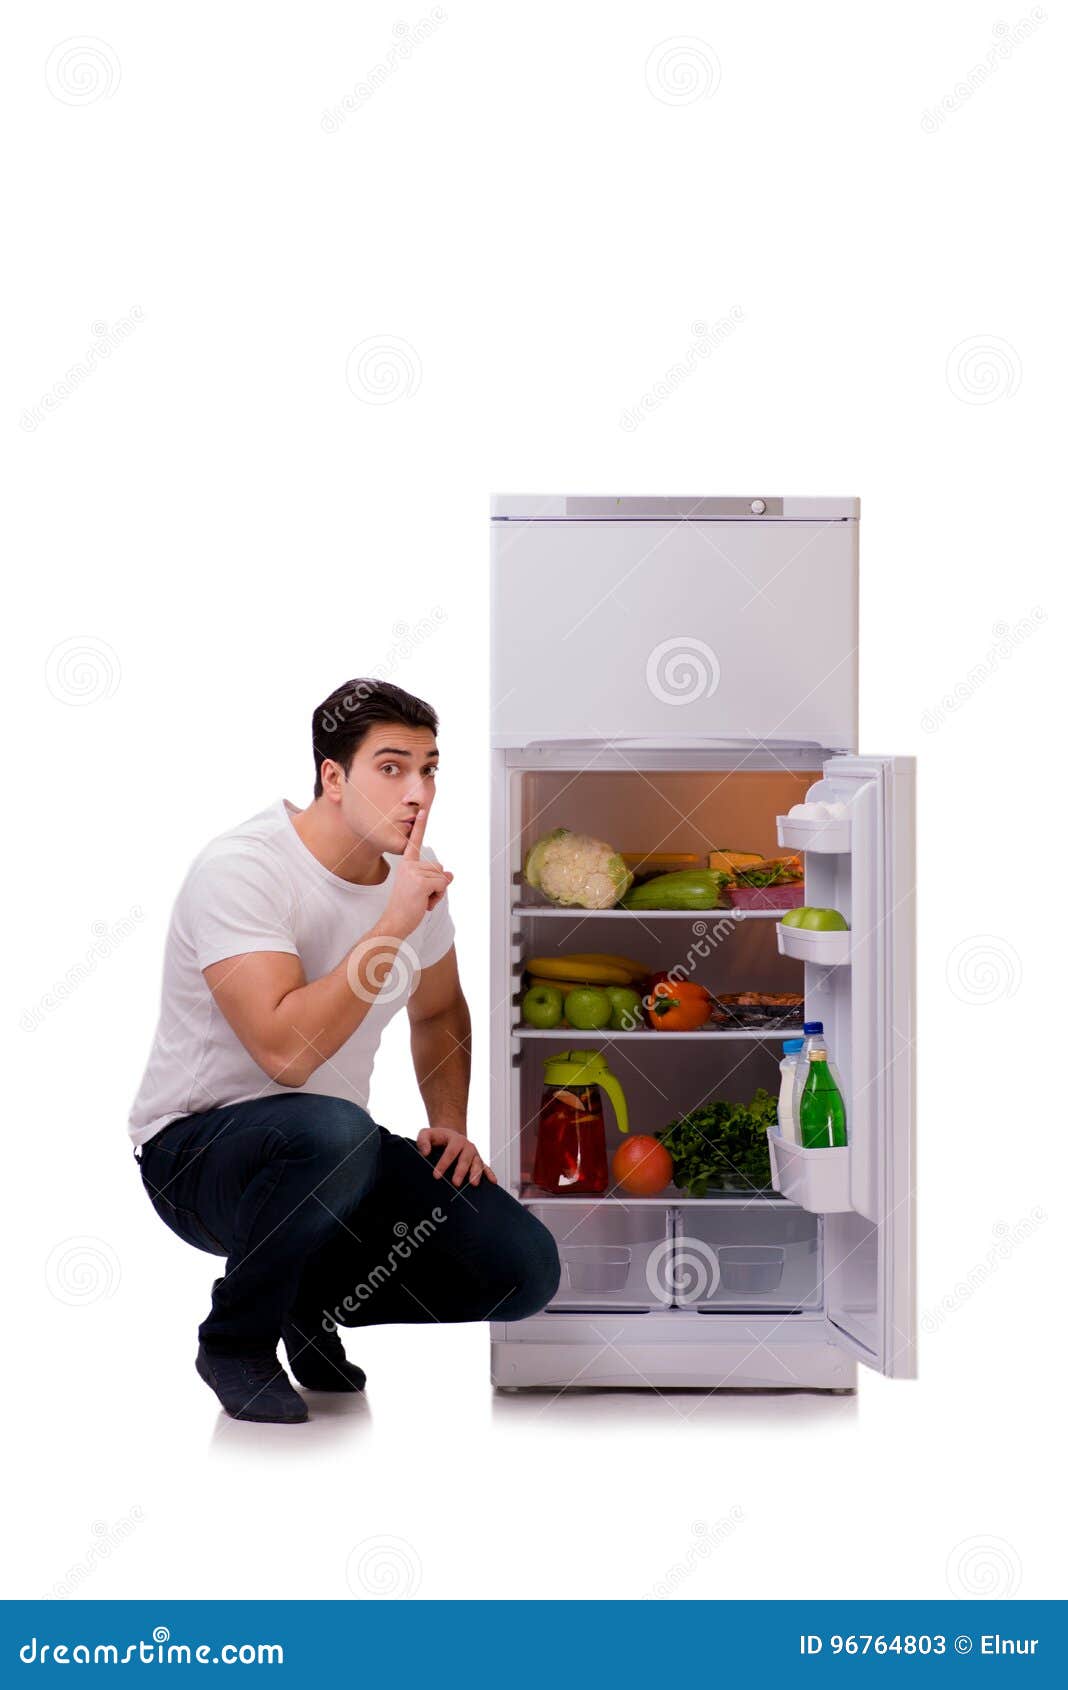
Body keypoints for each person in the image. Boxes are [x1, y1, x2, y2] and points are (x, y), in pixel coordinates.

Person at [129, 677, 560, 1423]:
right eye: (391, 768)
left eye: (429, 768)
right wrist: (391, 925)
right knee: (331, 1128)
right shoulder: (245, 869)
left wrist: (450, 1123)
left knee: (522, 1266)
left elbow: (440, 1011)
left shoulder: (412, 881)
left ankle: (307, 1298)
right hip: (196, 1158)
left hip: (331, 1162)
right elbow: (284, 1056)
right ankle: (235, 1341)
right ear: (333, 777)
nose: (417, 791)